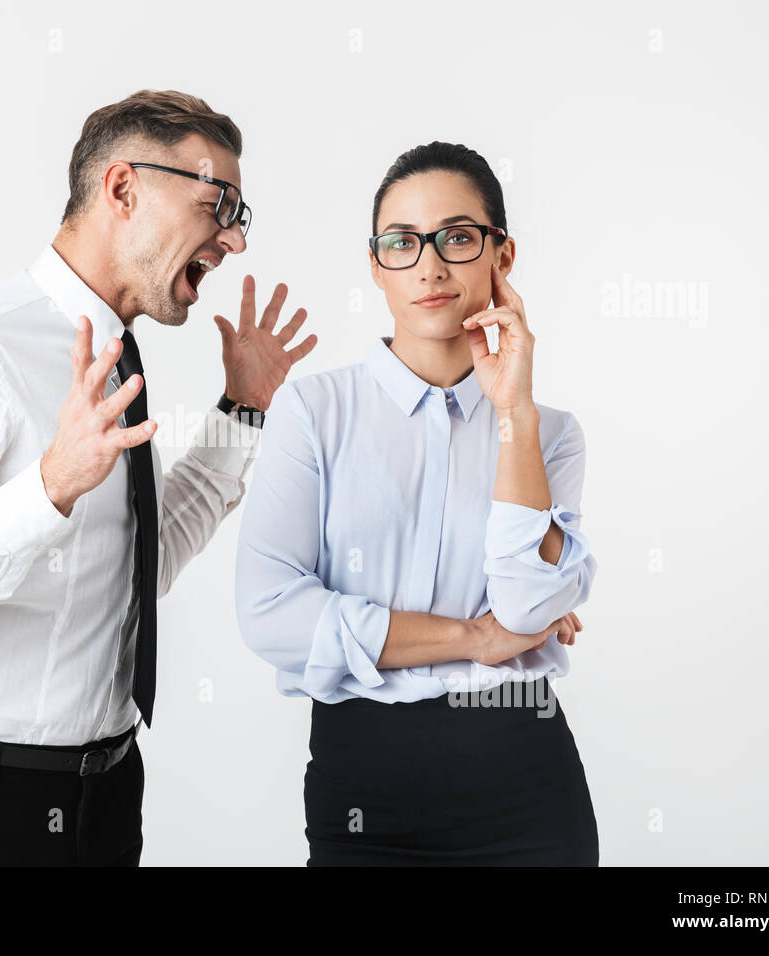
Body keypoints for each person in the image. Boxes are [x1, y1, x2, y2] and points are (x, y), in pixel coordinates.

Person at [0, 89, 316, 866]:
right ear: (124, 188)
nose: (232, 241)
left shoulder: (118, 355)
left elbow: (142, 567)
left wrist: (241, 411)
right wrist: (48, 488)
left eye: (240, 215)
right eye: (217, 205)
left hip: (103, 802)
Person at [234, 141, 599, 866]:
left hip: (526, 789)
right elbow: (271, 615)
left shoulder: (548, 433)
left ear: (502, 256)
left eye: (458, 238)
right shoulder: (315, 410)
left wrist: (514, 415)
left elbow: (527, 611)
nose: (429, 266)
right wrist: (474, 639)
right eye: (401, 243)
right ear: (375, 264)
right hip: (366, 792)